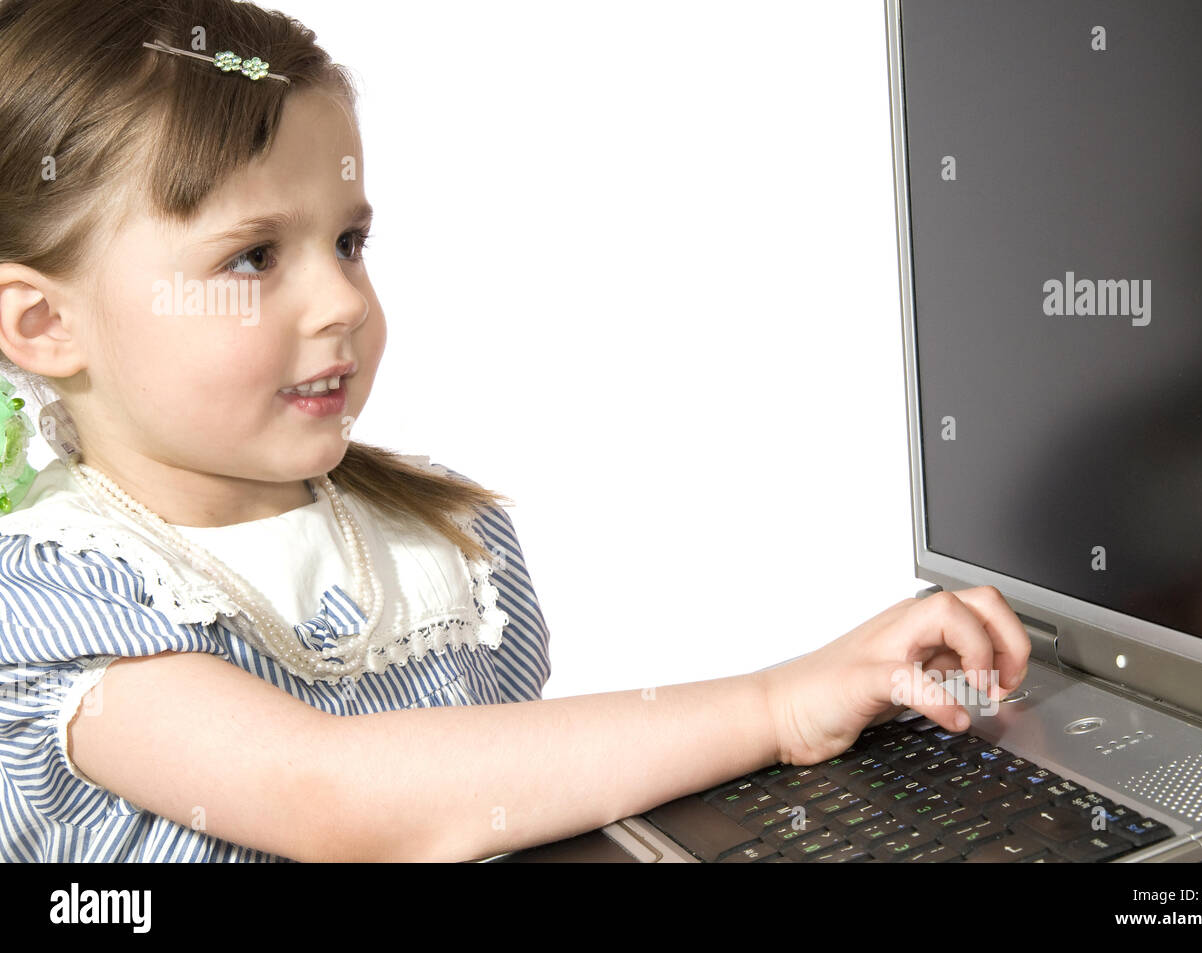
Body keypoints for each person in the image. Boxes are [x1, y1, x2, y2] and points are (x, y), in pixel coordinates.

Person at [0, 0, 1030, 863]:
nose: (341, 301)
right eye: (252, 257)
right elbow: (328, 795)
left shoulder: (437, 540)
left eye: (349, 241)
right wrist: (778, 706)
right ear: (46, 325)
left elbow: (518, 789)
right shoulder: (59, 599)